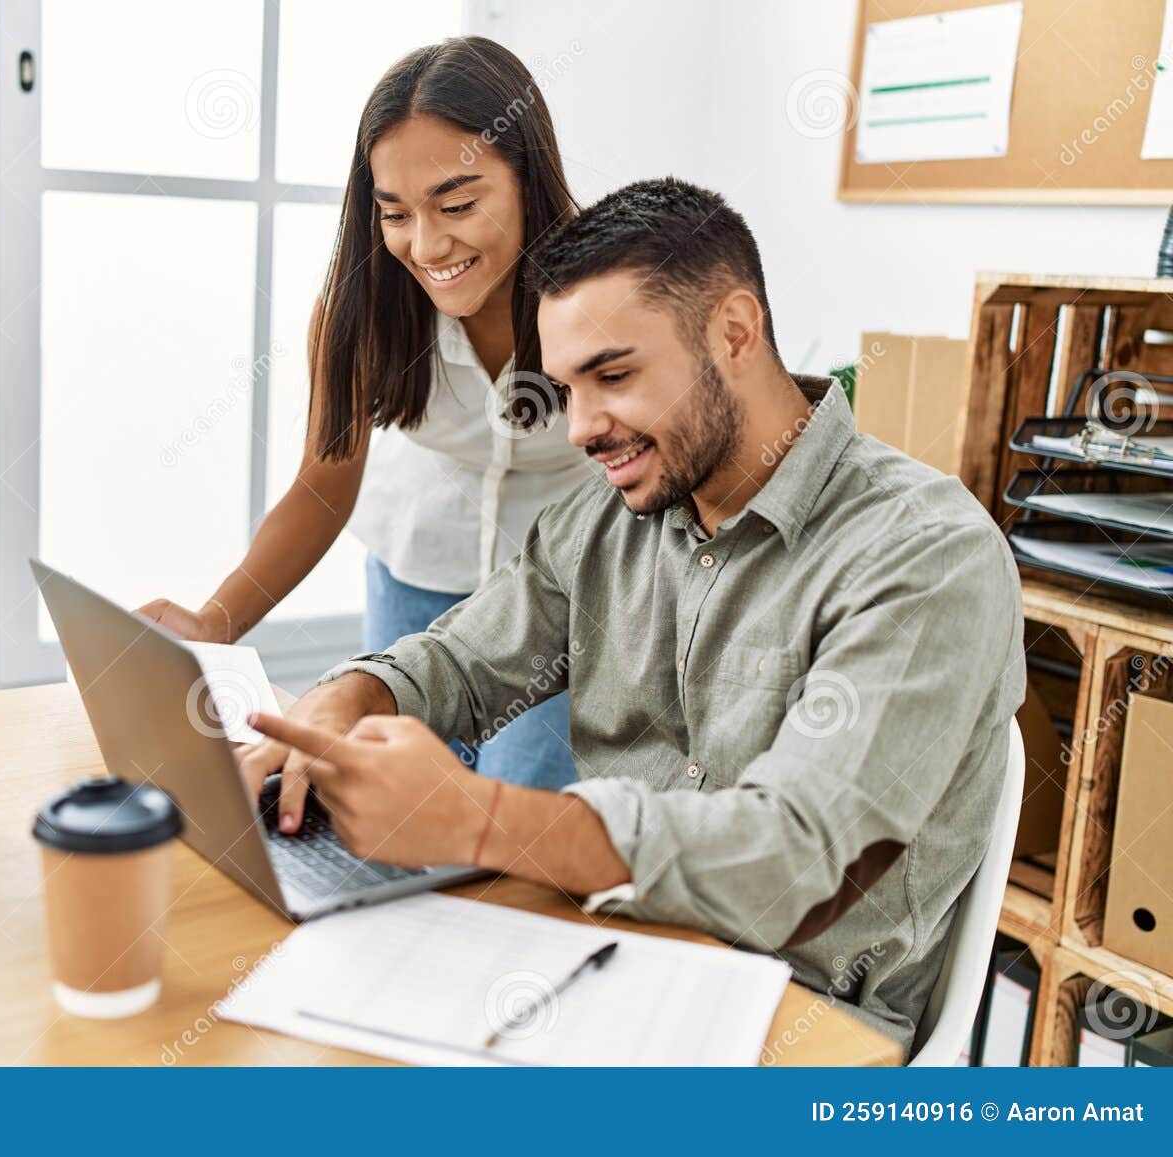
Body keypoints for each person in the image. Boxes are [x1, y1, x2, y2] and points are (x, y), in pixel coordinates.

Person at [244, 177, 1026, 1050]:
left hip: (799, 1023)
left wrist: (477, 817)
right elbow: (463, 660)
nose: (579, 427)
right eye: (566, 388)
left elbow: (796, 860)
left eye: (612, 375)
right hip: (598, 956)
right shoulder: (606, 518)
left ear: (734, 331)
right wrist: (346, 699)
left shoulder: (925, 552)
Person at [135, 37, 591, 819]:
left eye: (457, 204)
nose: (427, 243)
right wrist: (214, 623)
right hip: (416, 577)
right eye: (395, 213)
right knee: (394, 818)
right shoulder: (361, 309)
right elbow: (322, 486)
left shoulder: (604, 293)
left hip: (562, 603)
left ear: (529, 178)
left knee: (508, 826)